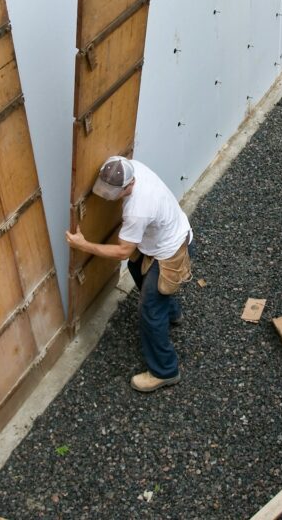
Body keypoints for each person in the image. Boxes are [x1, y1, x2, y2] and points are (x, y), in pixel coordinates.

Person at [65, 156, 193, 393]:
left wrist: (84, 246)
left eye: (113, 192)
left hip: (170, 250)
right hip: (155, 240)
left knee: (150, 311)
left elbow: (124, 252)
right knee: (139, 270)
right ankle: (172, 313)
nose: (107, 195)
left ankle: (165, 371)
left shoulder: (138, 209)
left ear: (129, 185)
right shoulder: (121, 164)